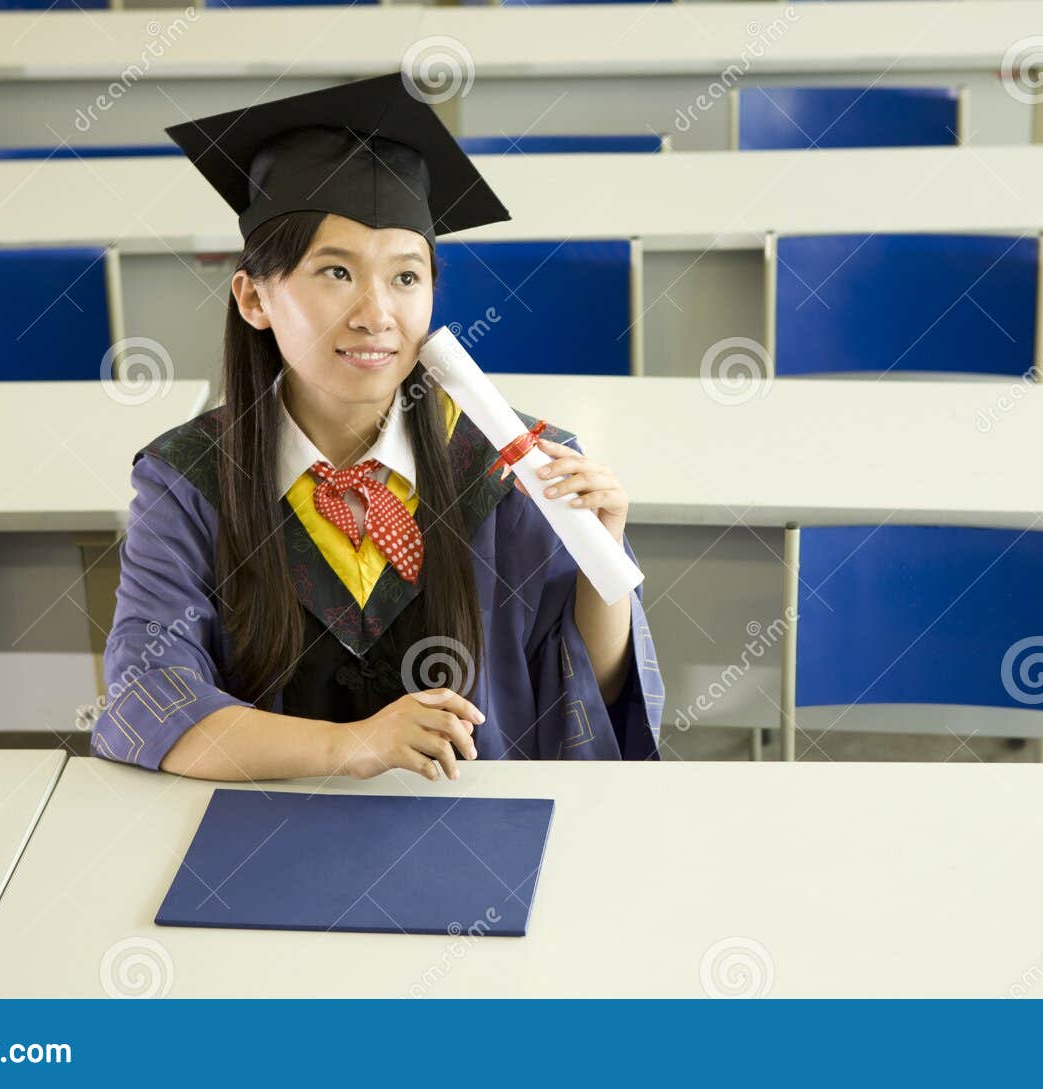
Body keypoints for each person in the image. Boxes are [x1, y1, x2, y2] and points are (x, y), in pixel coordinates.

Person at [88, 75, 663, 782]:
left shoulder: (511, 468)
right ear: (254, 296)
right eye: (335, 271)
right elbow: (149, 700)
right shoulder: (191, 480)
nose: (376, 314)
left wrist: (602, 567)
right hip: (263, 832)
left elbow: (589, 700)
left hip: (475, 833)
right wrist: (352, 745)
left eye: (405, 277)